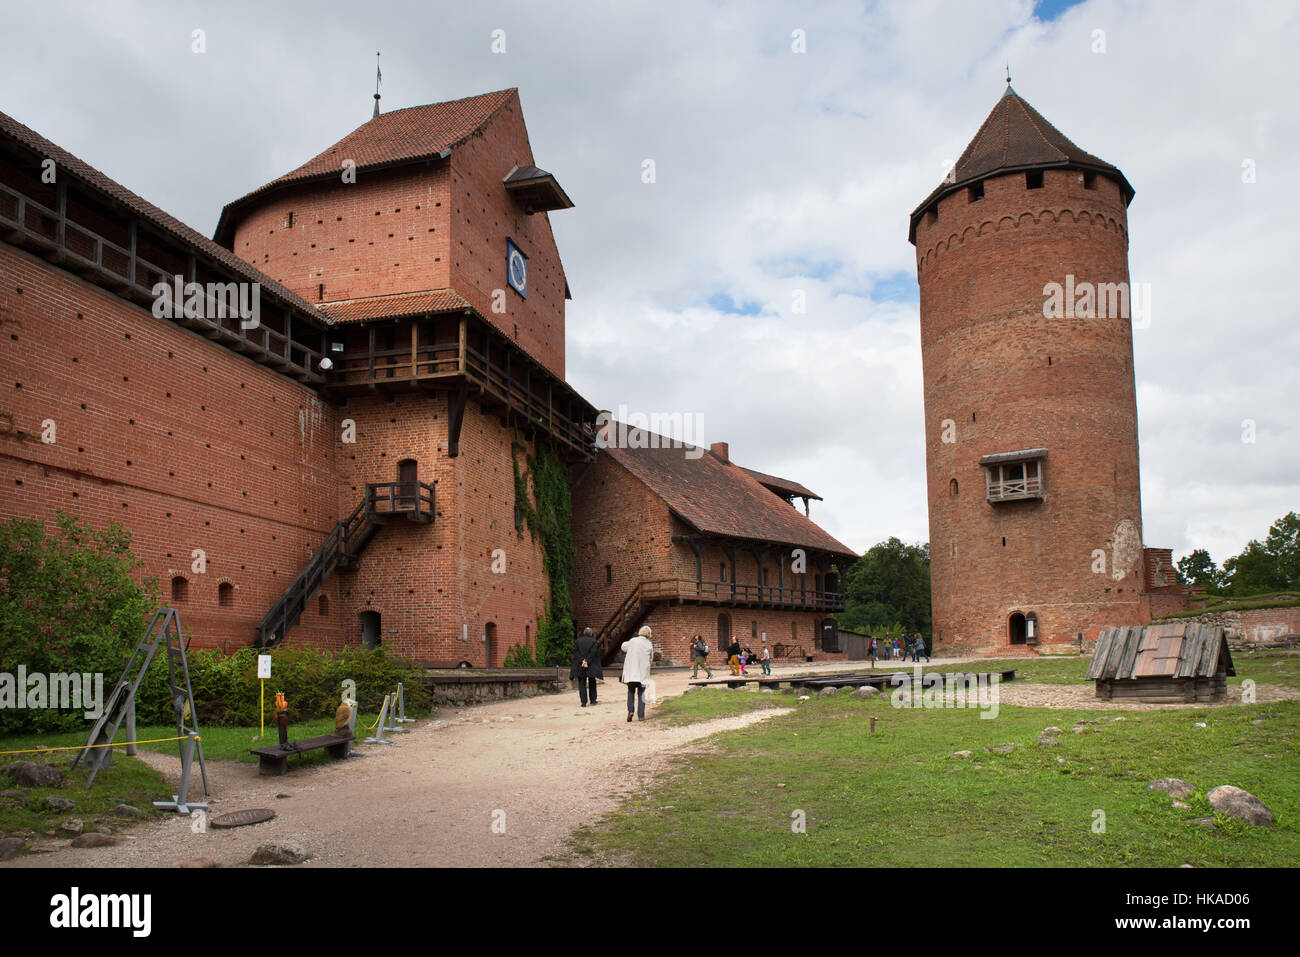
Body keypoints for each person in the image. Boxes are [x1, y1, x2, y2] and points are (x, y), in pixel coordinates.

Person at [621, 624, 655, 722]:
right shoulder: (649, 644)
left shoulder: (633, 641)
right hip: (643, 673)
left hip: (632, 672)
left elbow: (623, 647)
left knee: (631, 692)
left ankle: (630, 711)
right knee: (642, 694)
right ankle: (641, 715)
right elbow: (651, 658)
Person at [570, 626, 602, 707]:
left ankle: (583, 702)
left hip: (580, 664)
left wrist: (582, 661)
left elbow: (575, 651)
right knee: (592, 681)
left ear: (584, 633)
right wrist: (587, 661)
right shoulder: (593, 641)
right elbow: (593, 652)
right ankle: (593, 700)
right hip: (591, 664)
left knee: (581, 683)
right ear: (591, 633)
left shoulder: (577, 641)